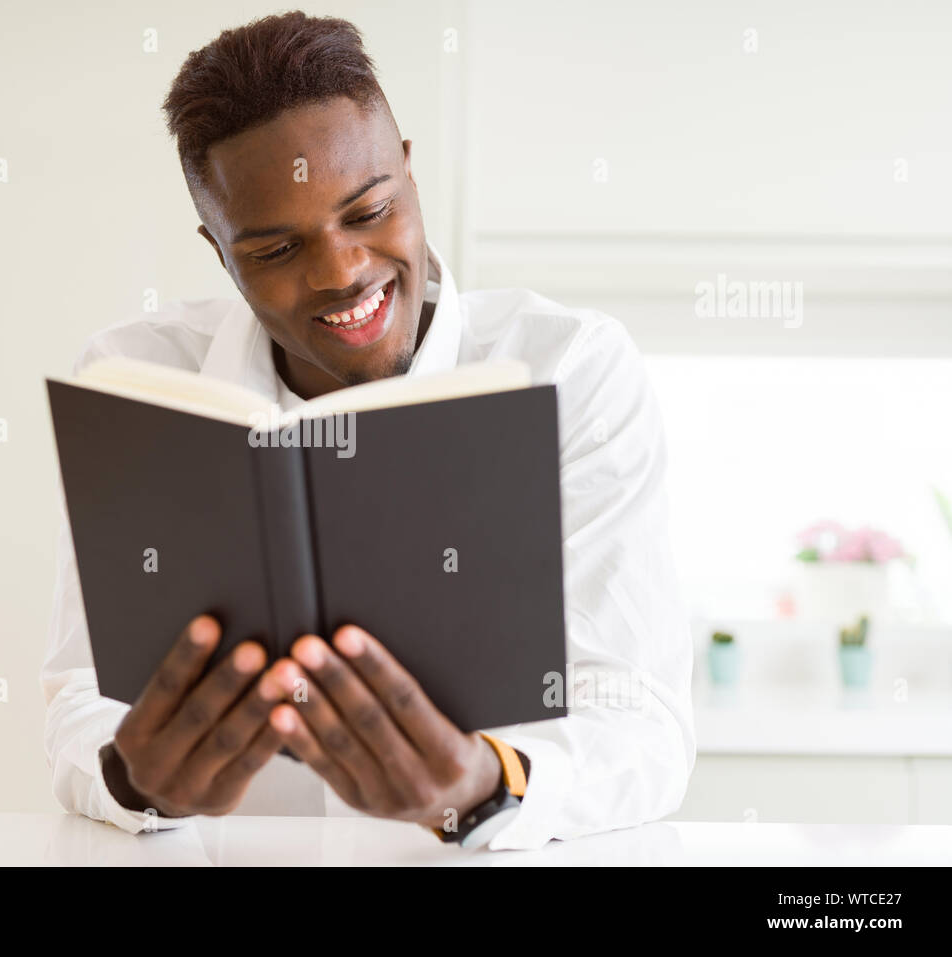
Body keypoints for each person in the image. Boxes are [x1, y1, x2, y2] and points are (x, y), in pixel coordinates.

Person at [42, 11, 694, 851]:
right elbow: (82, 692)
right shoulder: (140, 382)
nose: (341, 272)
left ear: (411, 176)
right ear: (219, 252)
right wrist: (135, 778)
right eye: (275, 249)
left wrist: (481, 783)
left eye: (369, 211)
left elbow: (640, 717)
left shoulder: (571, 369)